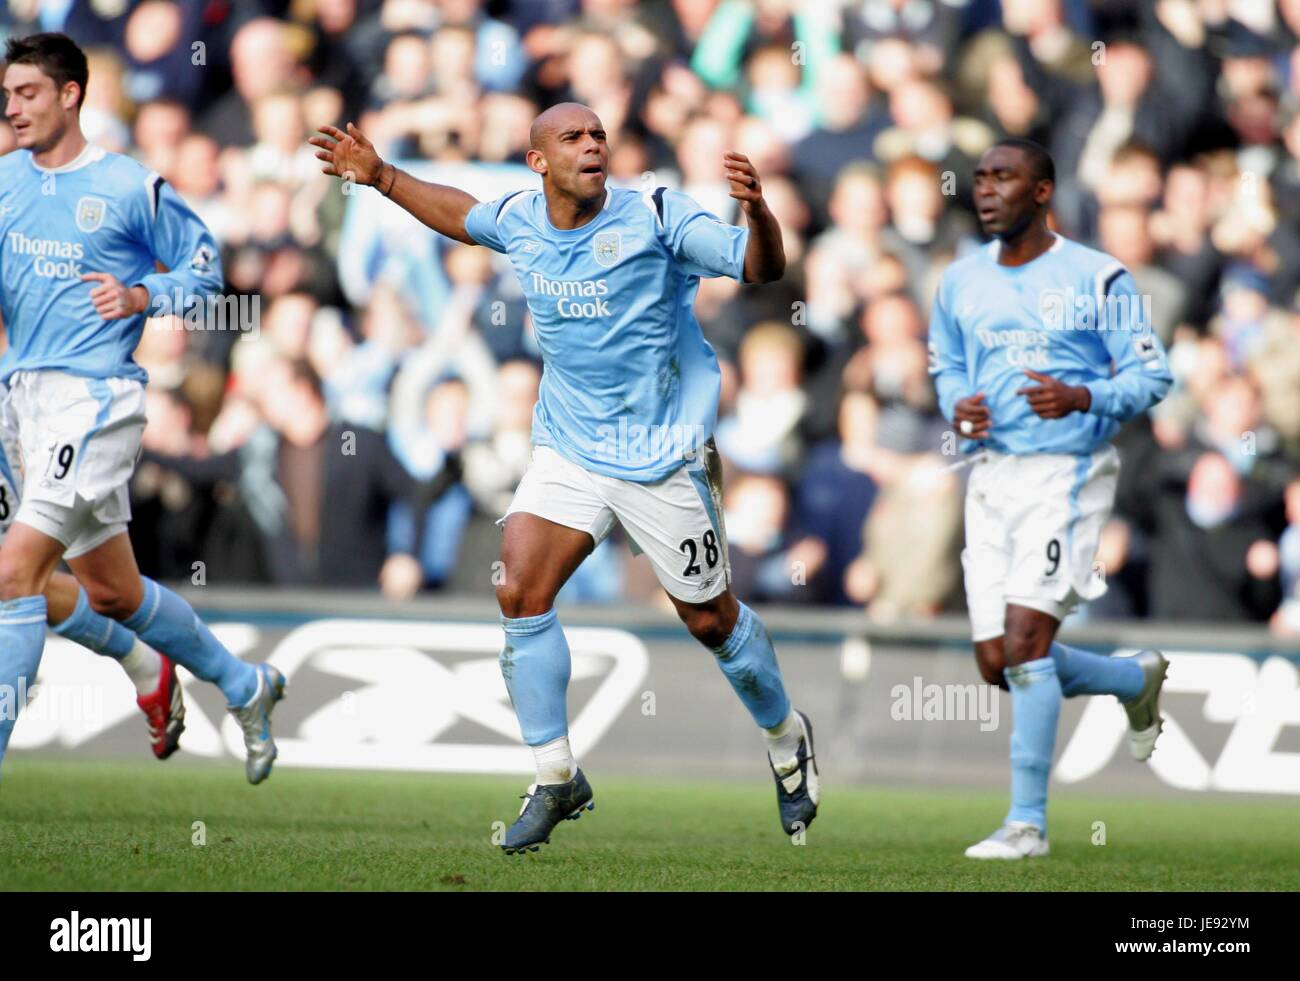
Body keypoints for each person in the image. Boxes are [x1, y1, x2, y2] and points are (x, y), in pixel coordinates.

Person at [311, 101, 818, 853]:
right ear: (538, 161)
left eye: (599, 135)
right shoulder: (520, 219)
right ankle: (556, 776)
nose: (593, 146)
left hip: (662, 455)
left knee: (710, 620)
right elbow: (462, 216)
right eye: (573, 138)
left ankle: (785, 737)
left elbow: (759, 266)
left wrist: (759, 211)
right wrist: (381, 175)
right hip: (570, 448)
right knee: (518, 585)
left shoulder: (654, 212)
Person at [0, 33, 283, 783]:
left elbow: (207, 275)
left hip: (94, 398)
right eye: (8, 94)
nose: (13, 107)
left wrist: (141, 295)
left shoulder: (130, 186)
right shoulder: (5, 184)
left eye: (28, 93)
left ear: (71, 94)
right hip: (21, 400)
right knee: (113, 590)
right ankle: (241, 682)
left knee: (13, 573)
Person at [928, 138, 1174, 860]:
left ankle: (1026, 823)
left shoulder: (1098, 276)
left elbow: (1153, 377)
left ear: (1042, 192)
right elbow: (944, 360)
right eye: (979, 179)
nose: (986, 190)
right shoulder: (959, 280)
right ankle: (1132, 678)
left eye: (1004, 177)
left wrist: (1082, 394)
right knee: (997, 661)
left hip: (1067, 472)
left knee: (1028, 643)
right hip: (992, 474)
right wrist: (956, 404)